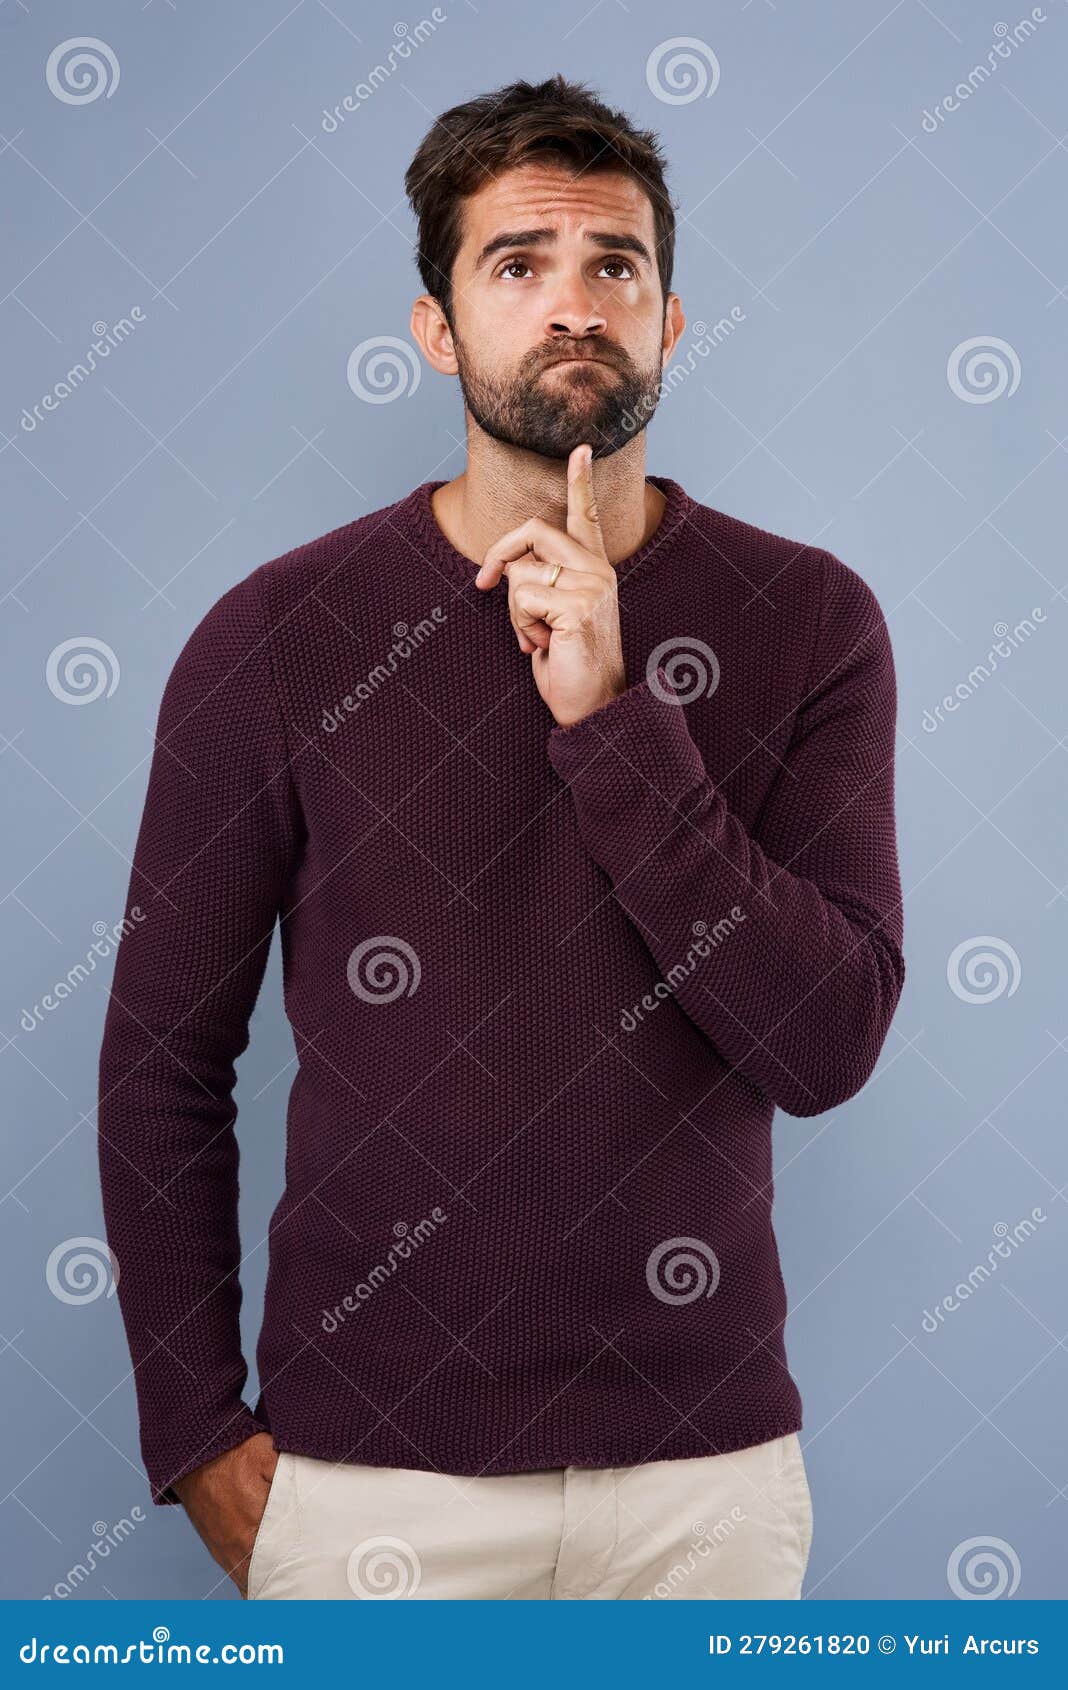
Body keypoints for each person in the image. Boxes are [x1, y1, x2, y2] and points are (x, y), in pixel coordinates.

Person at [98, 75, 904, 1600]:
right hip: (372, 1486)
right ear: (437, 326)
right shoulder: (277, 637)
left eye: (617, 266)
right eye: (518, 263)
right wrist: (193, 1425)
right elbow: (159, 1063)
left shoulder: (810, 622)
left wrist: (612, 719)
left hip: (704, 1488)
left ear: (674, 322)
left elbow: (827, 1042)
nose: (575, 303)